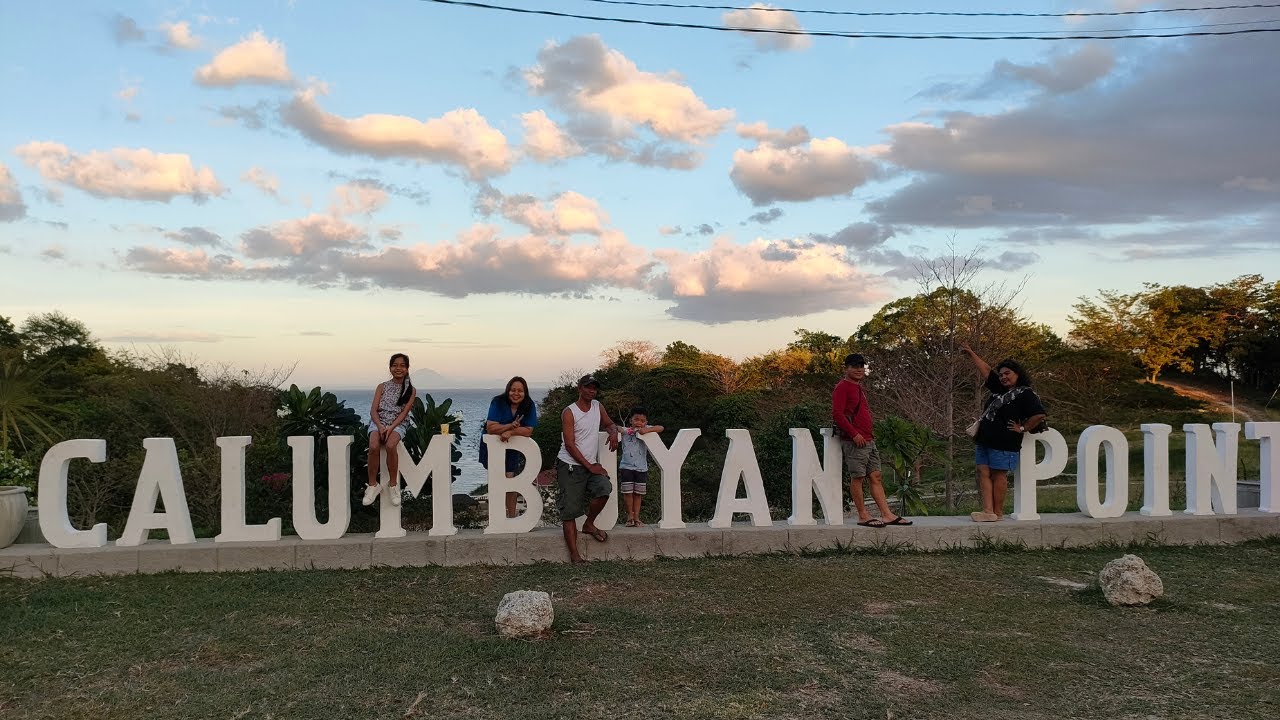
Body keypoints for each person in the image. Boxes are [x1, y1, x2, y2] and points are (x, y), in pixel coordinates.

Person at [961, 343, 1046, 522]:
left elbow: (1038, 414)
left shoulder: (1025, 393)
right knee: (982, 471)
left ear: (1018, 374)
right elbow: (986, 370)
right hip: (985, 439)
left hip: (1005, 441)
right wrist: (972, 354)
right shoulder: (998, 390)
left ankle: (998, 513)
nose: (1003, 377)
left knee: (998, 474)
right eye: (1001, 374)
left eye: (1007, 373)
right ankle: (988, 511)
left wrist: (1022, 428)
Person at [832, 353, 912, 528]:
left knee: (876, 476)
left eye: (861, 366)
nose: (859, 369)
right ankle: (862, 515)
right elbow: (837, 414)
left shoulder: (858, 387)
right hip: (855, 441)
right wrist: (853, 434)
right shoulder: (842, 387)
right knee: (858, 477)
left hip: (868, 439)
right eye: (854, 366)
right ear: (846, 368)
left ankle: (887, 514)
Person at [556, 374, 620, 563]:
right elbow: (569, 445)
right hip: (569, 465)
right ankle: (575, 555)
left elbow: (609, 424)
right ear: (579, 388)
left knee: (604, 488)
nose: (591, 390)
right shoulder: (569, 412)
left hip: (590, 465)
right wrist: (590, 466)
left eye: (594, 388)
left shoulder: (597, 406)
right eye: (588, 387)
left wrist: (614, 432)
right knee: (569, 509)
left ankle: (589, 524)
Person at [363, 353, 417, 507]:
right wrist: (380, 426)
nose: (398, 368)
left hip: (398, 424)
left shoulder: (410, 390)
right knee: (373, 445)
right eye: (395, 365)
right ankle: (373, 485)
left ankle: (393, 485)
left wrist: (391, 428)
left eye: (402, 365)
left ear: (407, 369)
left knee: (390, 445)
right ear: (390, 367)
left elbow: (404, 413)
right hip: (378, 422)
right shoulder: (382, 386)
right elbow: (373, 410)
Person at [484, 376, 538, 518]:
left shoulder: (529, 405)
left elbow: (528, 430)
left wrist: (511, 432)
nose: (516, 393)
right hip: (494, 446)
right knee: (497, 479)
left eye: (520, 390)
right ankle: (497, 517)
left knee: (511, 479)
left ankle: (512, 517)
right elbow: (490, 428)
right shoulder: (498, 402)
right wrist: (510, 425)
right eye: (513, 390)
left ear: (525, 392)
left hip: (513, 446)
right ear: (508, 390)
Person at [617, 407, 664, 528]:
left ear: (646, 422)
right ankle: (630, 517)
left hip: (641, 468)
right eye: (636, 419)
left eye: (642, 420)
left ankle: (637, 517)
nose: (639, 422)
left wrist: (647, 431)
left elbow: (661, 428)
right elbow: (616, 428)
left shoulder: (646, 430)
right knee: (628, 493)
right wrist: (623, 431)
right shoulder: (626, 431)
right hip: (626, 467)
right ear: (631, 421)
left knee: (638, 494)